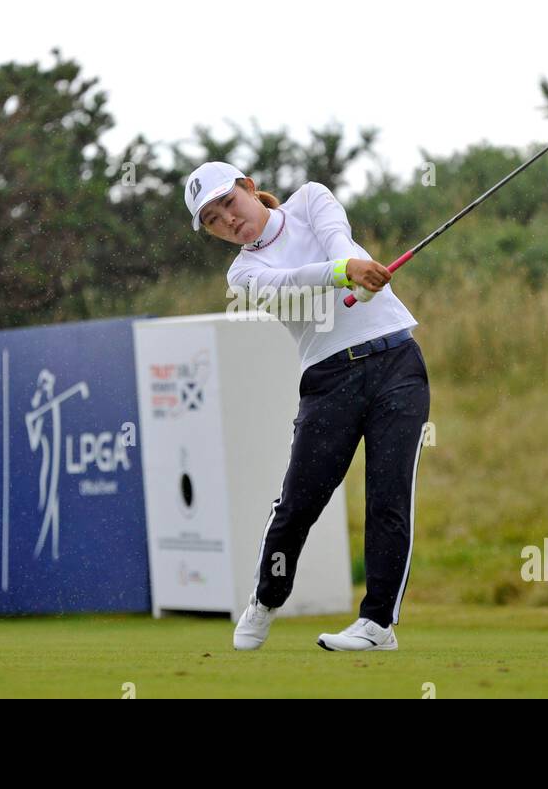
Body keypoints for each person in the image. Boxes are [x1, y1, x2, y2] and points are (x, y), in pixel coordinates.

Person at [183, 161, 430, 651]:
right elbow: (295, 280)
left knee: (389, 497)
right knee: (299, 503)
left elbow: (337, 237)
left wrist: (352, 265)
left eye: (228, 203)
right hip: (330, 379)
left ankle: (378, 624)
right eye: (212, 220)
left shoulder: (311, 198)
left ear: (249, 189)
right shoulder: (245, 274)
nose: (227, 221)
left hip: (397, 361)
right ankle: (266, 599)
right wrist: (344, 273)